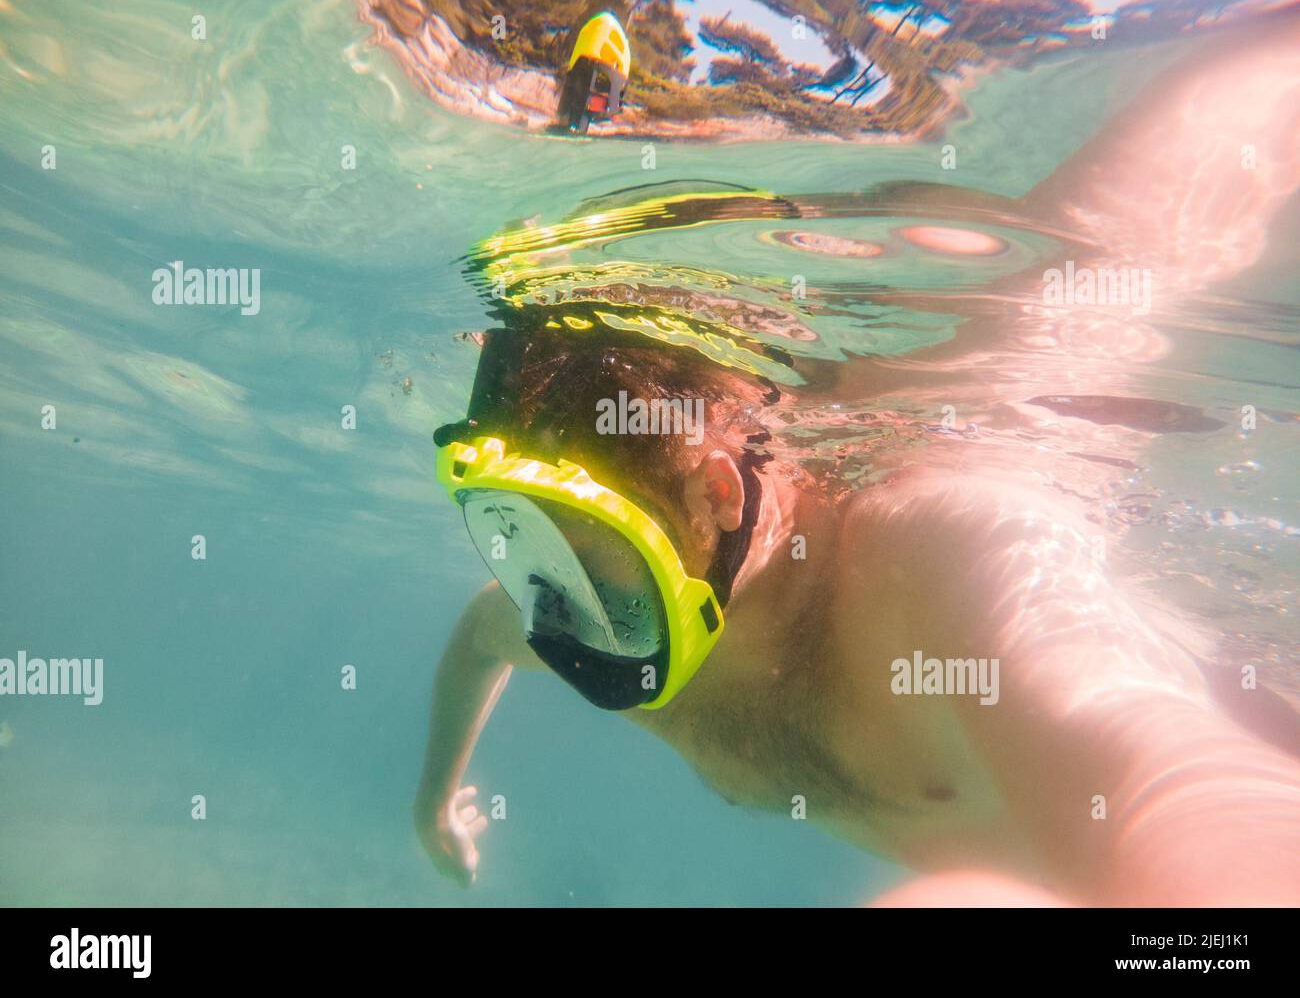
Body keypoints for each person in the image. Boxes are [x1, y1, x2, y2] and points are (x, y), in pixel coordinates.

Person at [412, 324, 1300, 907]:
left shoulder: (925, 558)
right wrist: (434, 800)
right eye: (531, 567)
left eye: (597, 582)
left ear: (713, 497)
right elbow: (479, 639)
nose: (564, 629)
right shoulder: (594, 614)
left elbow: (1169, 777)